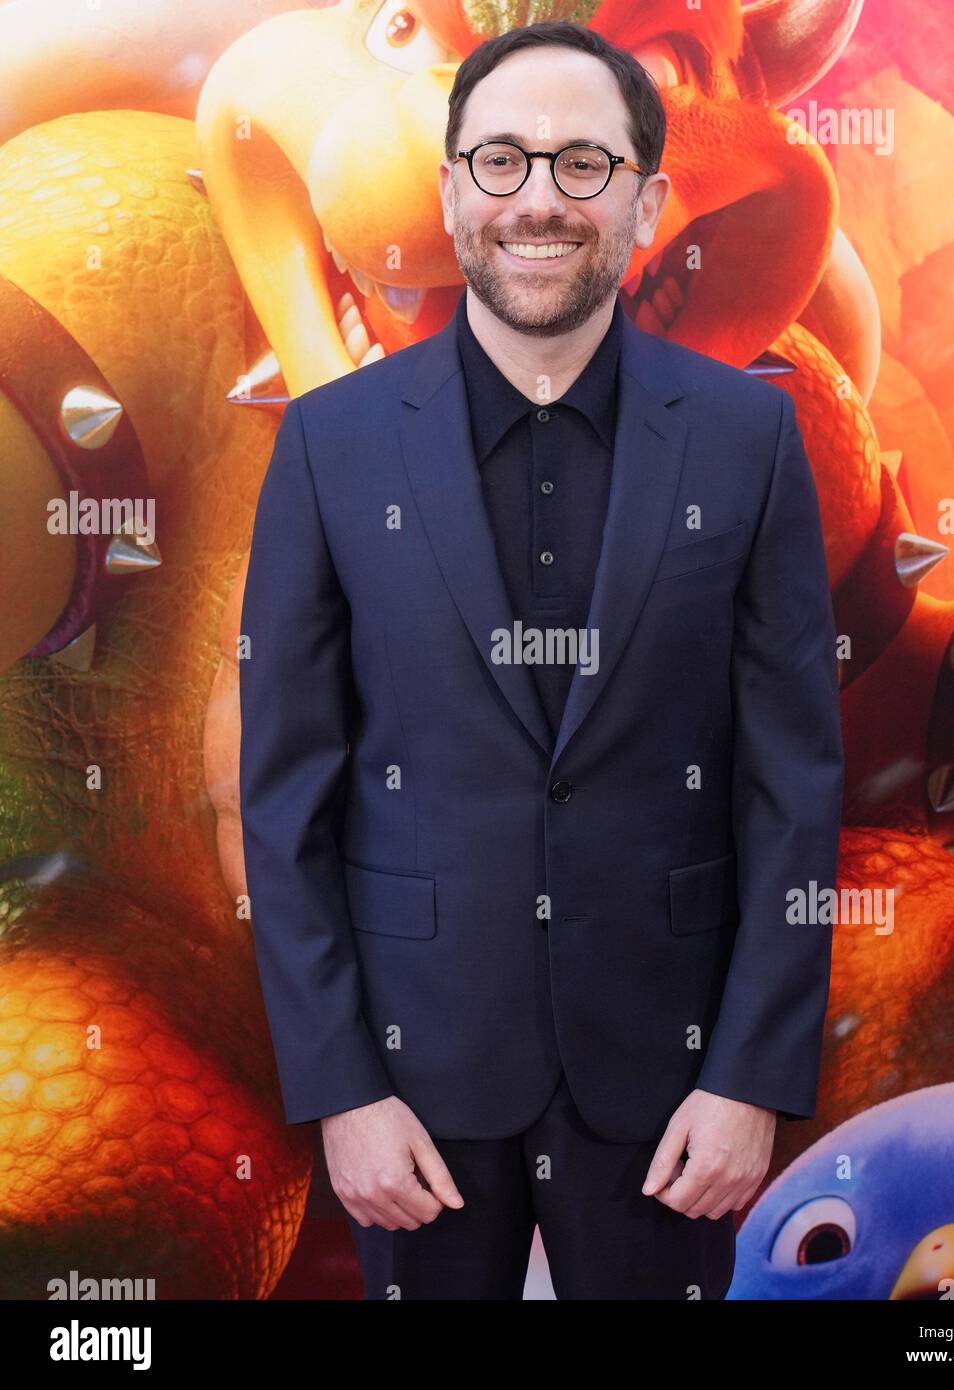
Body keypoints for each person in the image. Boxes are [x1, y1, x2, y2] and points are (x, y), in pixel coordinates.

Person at [238, 20, 844, 1300]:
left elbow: (792, 790)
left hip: (674, 1087)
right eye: (501, 162)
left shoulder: (750, 438)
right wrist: (340, 1087)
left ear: (646, 197)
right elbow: (283, 796)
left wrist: (749, 1078)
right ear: (453, 189)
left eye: (584, 165)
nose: (539, 203)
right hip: (413, 1084)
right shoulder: (328, 446)